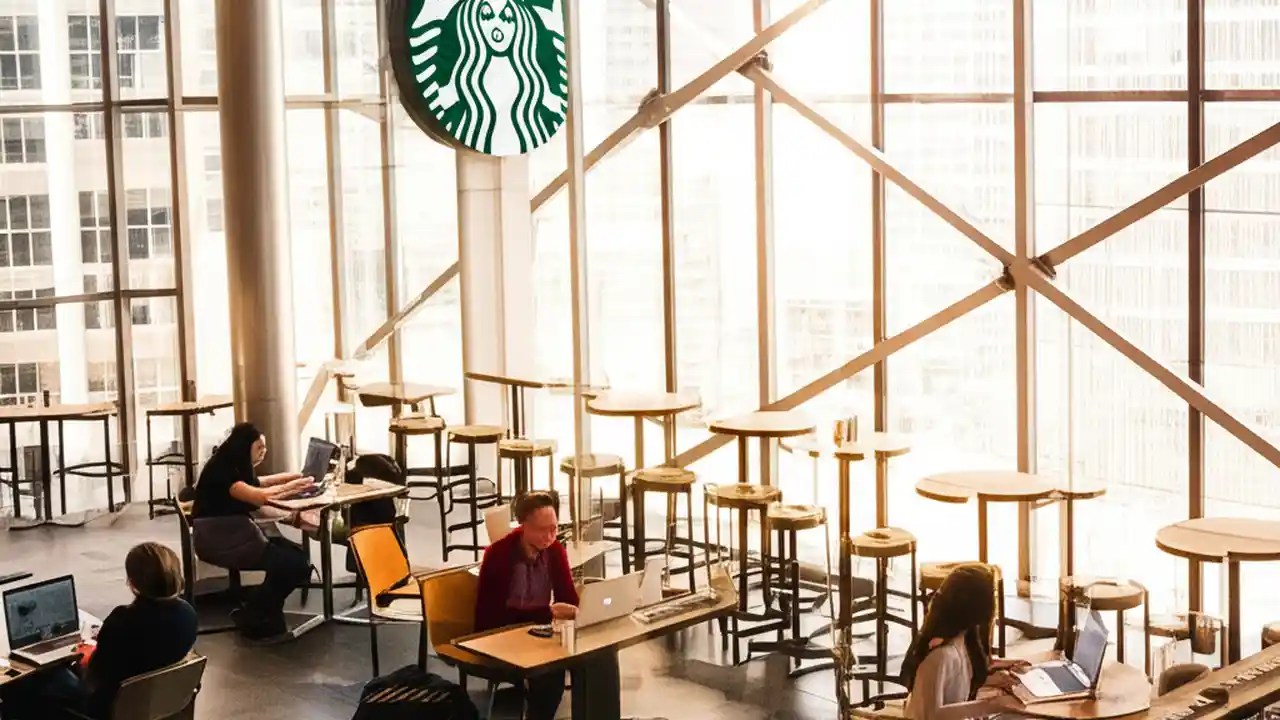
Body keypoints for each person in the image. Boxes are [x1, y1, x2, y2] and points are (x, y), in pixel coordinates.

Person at [0, 543, 198, 720]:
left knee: (25, 682)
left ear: (133, 582)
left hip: (105, 708)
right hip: (158, 701)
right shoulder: (188, 614)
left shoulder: (123, 621)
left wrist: (87, 657)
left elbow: (94, 676)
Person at [191, 422, 316, 640]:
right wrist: (297, 486)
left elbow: (259, 484)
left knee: (295, 557)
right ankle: (258, 611)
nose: (264, 452)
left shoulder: (228, 464)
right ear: (244, 447)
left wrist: (294, 477)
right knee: (294, 564)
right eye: (259, 447)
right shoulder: (224, 473)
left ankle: (259, 609)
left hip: (232, 535)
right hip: (224, 540)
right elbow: (260, 496)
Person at [475, 490, 578, 720]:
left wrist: (581, 610)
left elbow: (568, 597)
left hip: (538, 634)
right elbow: (491, 619)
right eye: (543, 530)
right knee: (550, 674)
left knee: (594, 662)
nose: (550, 536)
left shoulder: (554, 551)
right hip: (500, 637)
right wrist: (547, 613)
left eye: (554, 528)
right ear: (523, 526)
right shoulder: (498, 555)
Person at [901, 564, 1029, 720]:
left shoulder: (966, 638)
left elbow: (958, 681)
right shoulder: (941, 655)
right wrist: (993, 705)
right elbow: (932, 715)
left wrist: (1001, 675)